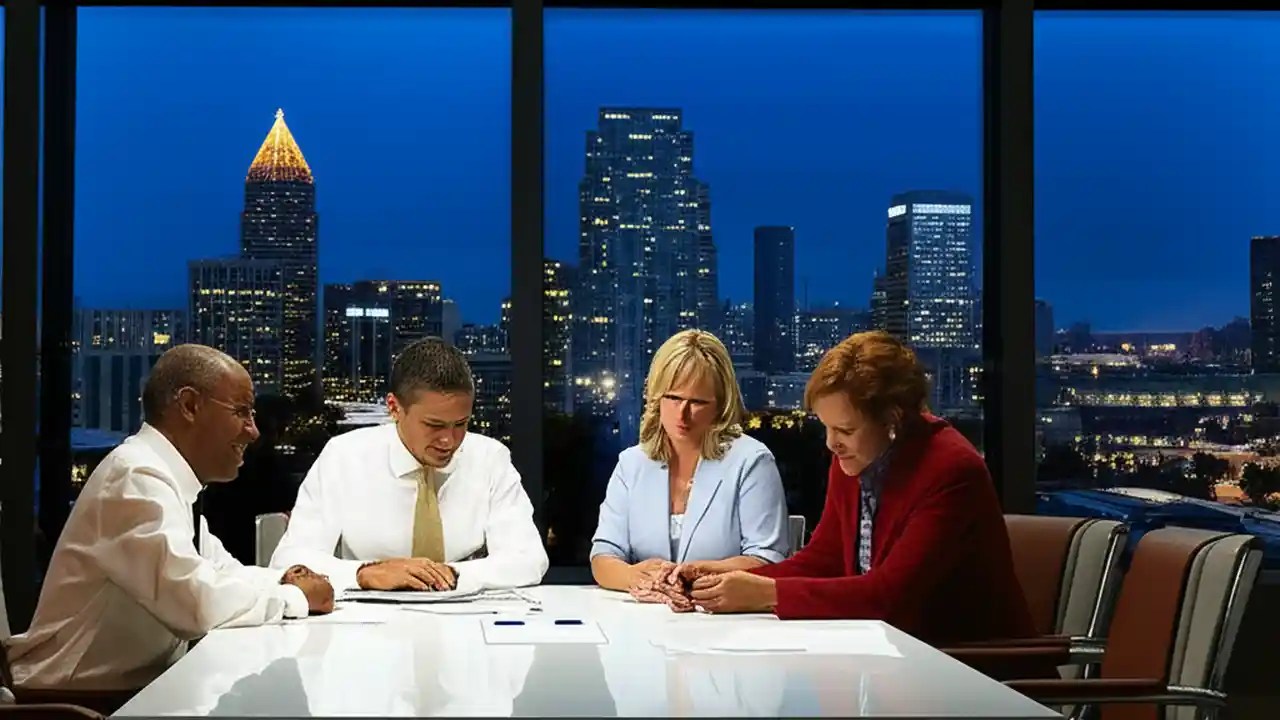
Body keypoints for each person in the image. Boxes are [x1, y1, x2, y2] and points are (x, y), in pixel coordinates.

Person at [5, 344, 334, 703]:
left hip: (131, 694)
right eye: (241, 412)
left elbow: (223, 572)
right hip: (70, 703)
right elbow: (196, 604)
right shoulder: (136, 476)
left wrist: (288, 578)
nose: (254, 431)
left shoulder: (171, 483)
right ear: (190, 405)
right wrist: (294, 596)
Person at [673, 331, 1036, 648]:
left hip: (972, 673)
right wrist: (725, 579)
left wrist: (766, 594)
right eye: (826, 428)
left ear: (891, 421)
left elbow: (889, 598)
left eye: (845, 431)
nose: (832, 444)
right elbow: (825, 561)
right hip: (891, 663)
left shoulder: (952, 471)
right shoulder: (857, 457)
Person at [270, 337, 548, 592]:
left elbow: (529, 558)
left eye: (461, 424)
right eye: (434, 425)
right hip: (364, 627)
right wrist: (364, 574)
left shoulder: (489, 458)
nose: (449, 440)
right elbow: (290, 560)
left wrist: (448, 575)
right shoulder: (344, 457)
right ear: (394, 408)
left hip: (466, 622)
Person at [590, 329, 789, 605]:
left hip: (726, 621)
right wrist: (635, 577)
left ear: (721, 405)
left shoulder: (752, 461)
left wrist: (697, 573)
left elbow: (768, 559)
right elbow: (603, 556)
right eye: (672, 398)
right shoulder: (632, 463)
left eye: (696, 402)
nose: (682, 413)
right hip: (645, 620)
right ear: (656, 398)